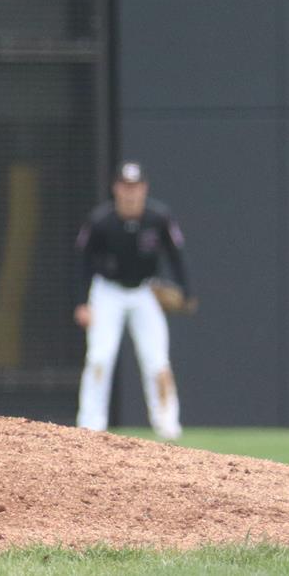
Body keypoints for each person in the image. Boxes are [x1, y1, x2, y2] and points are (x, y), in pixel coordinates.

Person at [73, 161, 190, 440]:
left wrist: (185, 291)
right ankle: (90, 424)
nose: (130, 193)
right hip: (107, 292)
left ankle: (167, 424)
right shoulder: (101, 221)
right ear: (116, 189)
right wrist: (82, 302)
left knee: (157, 359)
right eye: (125, 187)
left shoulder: (158, 218)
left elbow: (176, 256)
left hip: (143, 292)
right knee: (100, 356)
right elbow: (82, 262)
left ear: (144, 188)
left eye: (135, 187)